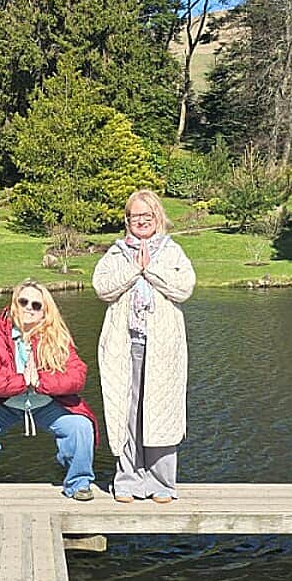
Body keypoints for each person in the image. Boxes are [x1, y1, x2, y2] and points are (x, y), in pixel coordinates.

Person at [93, 189, 195, 503]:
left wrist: (150, 267)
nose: (141, 221)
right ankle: (127, 481)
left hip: (162, 348)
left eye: (147, 215)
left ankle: (162, 484)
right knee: (127, 412)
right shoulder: (116, 253)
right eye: (135, 216)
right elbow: (102, 287)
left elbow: (184, 288)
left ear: (157, 217)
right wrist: (133, 267)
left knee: (161, 412)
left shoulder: (172, 251)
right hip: (126, 347)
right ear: (127, 219)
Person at [0, 280, 97, 503]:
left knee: (81, 426)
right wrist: (21, 382)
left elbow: (77, 377)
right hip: (3, 404)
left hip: (46, 404)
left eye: (37, 305)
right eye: (24, 301)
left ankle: (79, 483)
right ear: (14, 305)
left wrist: (41, 382)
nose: (29, 307)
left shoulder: (58, 338)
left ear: (44, 312)